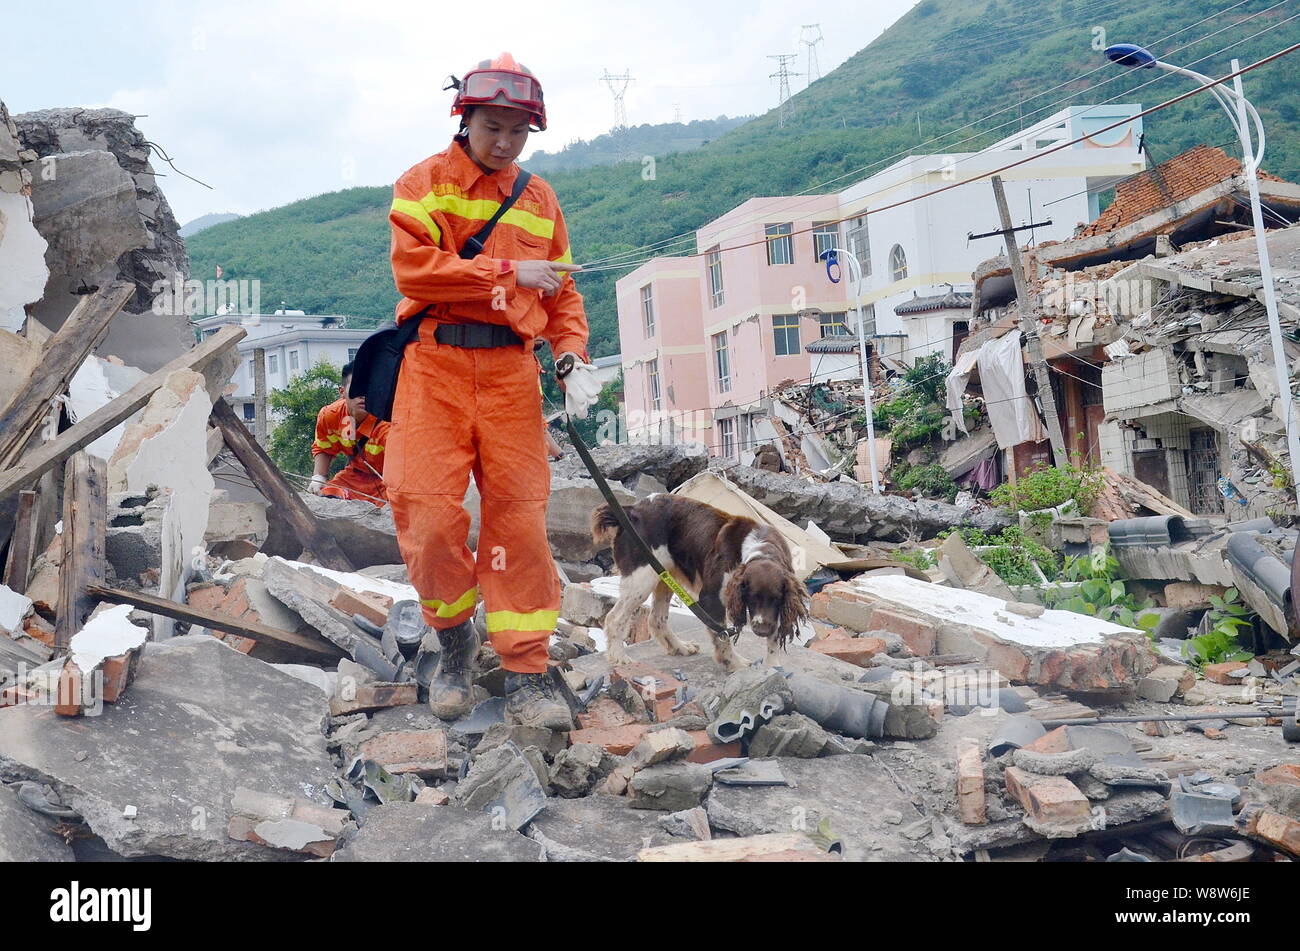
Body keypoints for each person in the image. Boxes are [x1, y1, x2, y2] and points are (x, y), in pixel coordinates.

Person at [385, 53, 602, 730]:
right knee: (425, 516)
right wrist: (508, 270)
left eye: (517, 130)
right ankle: (454, 644)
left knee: (520, 524)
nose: (504, 141)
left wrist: (570, 355)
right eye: (492, 126)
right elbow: (417, 272)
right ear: (465, 119)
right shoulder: (421, 185)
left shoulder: (540, 199)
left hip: (512, 374)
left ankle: (527, 670)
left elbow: (562, 290)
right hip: (434, 368)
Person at [309, 362, 390, 507]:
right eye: (356, 388)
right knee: (323, 499)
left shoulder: (390, 424)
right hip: (354, 477)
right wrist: (318, 477)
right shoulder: (330, 415)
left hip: (389, 481)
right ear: (342, 392)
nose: (363, 395)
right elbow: (324, 448)